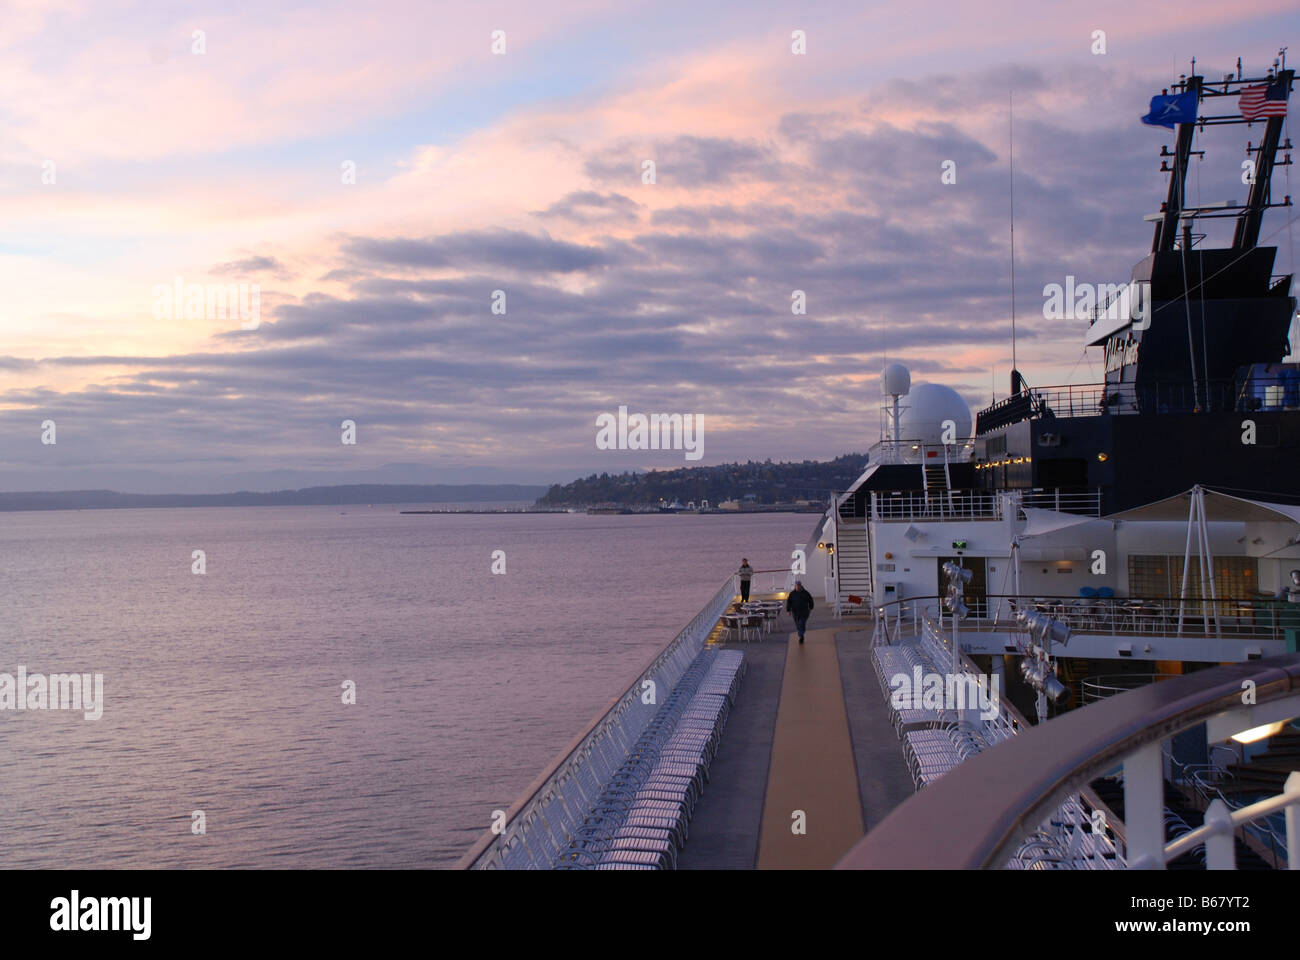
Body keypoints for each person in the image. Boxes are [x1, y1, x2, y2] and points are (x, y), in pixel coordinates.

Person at [786, 579, 814, 644]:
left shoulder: (805, 593)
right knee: (797, 624)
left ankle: (801, 635)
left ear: (801, 586)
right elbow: (789, 602)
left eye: (799, 585)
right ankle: (801, 634)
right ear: (795, 586)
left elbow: (810, 600)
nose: (798, 587)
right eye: (797, 585)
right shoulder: (792, 594)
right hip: (795, 612)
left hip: (804, 611)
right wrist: (788, 610)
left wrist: (811, 607)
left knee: (802, 623)